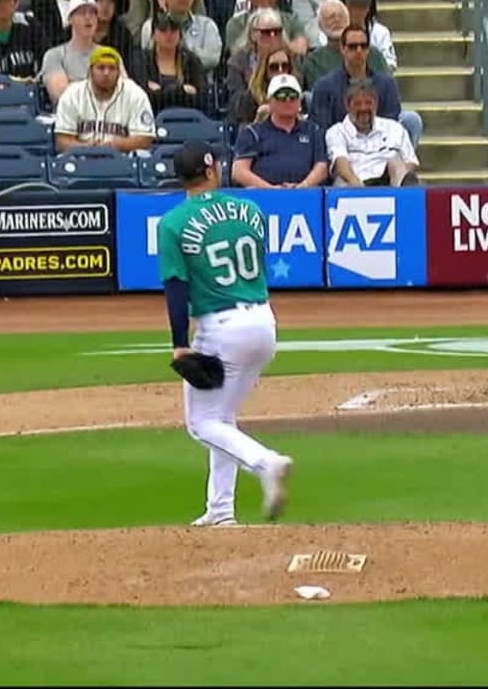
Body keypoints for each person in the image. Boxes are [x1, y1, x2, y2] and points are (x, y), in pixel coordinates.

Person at [158, 139, 295, 527]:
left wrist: (179, 344)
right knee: (222, 417)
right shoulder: (250, 209)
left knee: (202, 423)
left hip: (221, 328)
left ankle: (265, 463)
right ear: (212, 169)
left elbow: (175, 286)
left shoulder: (173, 223)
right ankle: (220, 510)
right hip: (263, 320)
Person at [310, 26, 421, 144]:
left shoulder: (386, 84)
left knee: (411, 119)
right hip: (339, 148)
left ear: (368, 49)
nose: (359, 51)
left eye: (363, 46)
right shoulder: (324, 86)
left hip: (380, 147)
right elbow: (321, 130)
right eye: (353, 47)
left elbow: (390, 125)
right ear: (342, 49)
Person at [231, 73, 328, 188]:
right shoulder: (252, 133)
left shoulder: (312, 130)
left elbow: (321, 167)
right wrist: (270, 189)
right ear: (270, 101)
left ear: (299, 101)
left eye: (293, 96)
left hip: (304, 194)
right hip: (262, 196)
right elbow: (239, 171)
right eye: (280, 96)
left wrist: (303, 186)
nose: (287, 100)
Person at [53, 46, 155, 153]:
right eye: (101, 68)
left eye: (112, 68)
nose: (106, 73)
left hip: (123, 161)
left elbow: (145, 139)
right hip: (81, 160)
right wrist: (87, 148)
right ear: (90, 71)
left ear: (119, 72)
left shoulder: (135, 94)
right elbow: (62, 141)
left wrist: (117, 145)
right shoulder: (72, 94)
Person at [325, 77, 419, 187]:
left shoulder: (394, 128)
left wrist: (400, 177)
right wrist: (360, 187)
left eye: (368, 103)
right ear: (347, 106)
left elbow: (410, 161)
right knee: (343, 179)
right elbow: (340, 163)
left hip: (389, 185)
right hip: (353, 186)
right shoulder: (336, 131)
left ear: (376, 104)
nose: (363, 108)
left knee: (396, 162)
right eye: (357, 104)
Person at [133, 11, 209, 111]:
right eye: (163, 30)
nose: (169, 34)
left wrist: (160, 91)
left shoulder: (191, 60)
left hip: (187, 118)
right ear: (153, 35)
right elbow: (142, 97)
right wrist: (183, 91)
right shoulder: (141, 59)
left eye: (174, 30)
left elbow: (202, 99)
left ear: (180, 35)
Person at [303, 0, 388, 88]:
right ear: (320, 25)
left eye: (341, 16)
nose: (336, 20)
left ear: (348, 21)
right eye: (330, 17)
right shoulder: (314, 60)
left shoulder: (373, 54)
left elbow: (387, 86)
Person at [146, 0, 222, 69]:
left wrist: (173, 54)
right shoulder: (150, 26)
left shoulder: (207, 25)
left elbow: (212, 59)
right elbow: (151, 58)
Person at [40, 0, 101, 105]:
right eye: (82, 13)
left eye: (92, 13)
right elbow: (61, 95)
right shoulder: (55, 55)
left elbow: (124, 90)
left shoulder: (109, 54)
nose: (88, 18)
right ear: (70, 19)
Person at [230, 47, 296, 125]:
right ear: (265, 71)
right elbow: (245, 132)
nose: (280, 71)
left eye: (285, 66)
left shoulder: (296, 95)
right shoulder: (250, 99)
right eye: (274, 67)